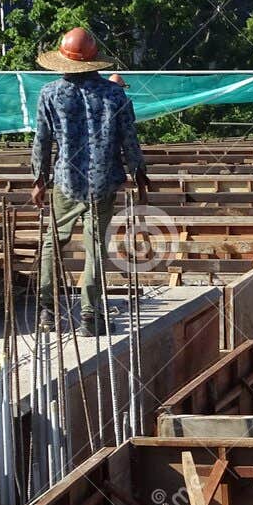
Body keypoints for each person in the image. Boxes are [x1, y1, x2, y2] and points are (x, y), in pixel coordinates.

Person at [31, 27, 146, 335]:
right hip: (103, 182)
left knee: (53, 242)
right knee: (95, 247)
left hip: (66, 181)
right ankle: (90, 316)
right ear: (94, 60)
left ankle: (46, 311)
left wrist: (39, 178)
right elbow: (129, 138)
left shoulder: (49, 94)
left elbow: (42, 141)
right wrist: (139, 172)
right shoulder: (114, 93)